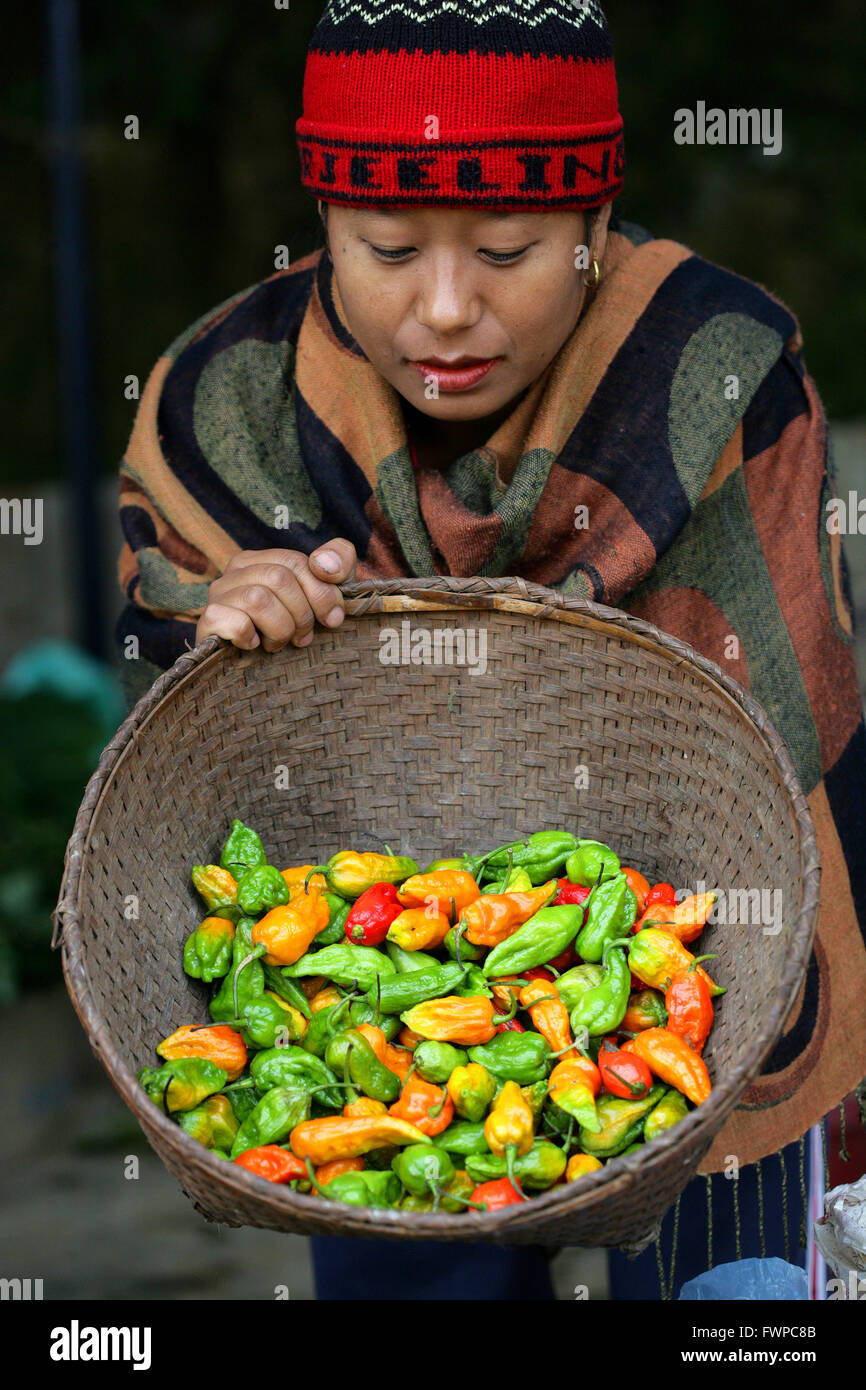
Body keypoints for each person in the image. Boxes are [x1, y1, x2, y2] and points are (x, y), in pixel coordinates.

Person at [115, 0, 866, 1299]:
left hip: (697, 917)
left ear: (590, 224)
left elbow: (787, 717)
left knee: (734, 1293)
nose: (446, 309)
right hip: (374, 925)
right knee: (410, 1211)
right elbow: (176, 650)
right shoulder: (231, 396)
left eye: (510, 248)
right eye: (386, 247)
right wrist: (232, 614)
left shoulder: (707, 372)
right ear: (322, 224)